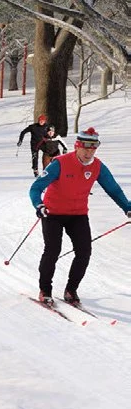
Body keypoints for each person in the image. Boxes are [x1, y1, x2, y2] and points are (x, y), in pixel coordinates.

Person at [29, 127, 131, 305]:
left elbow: (113, 189)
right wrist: (39, 205)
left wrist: (127, 208)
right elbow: (35, 188)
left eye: (93, 148)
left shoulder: (97, 166)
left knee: (84, 252)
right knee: (53, 250)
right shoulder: (60, 163)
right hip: (52, 213)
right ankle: (45, 289)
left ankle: (71, 290)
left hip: (78, 214)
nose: (89, 152)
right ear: (77, 146)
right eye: (85, 147)